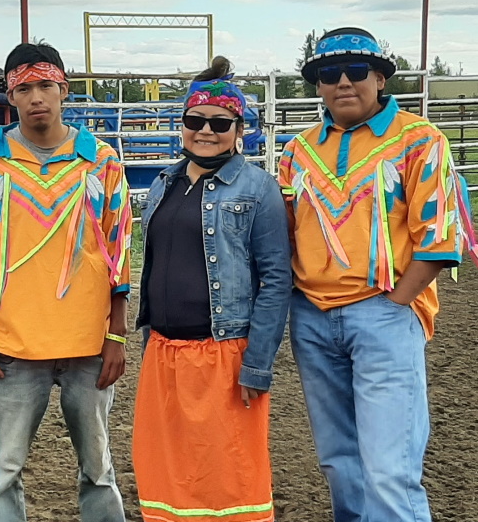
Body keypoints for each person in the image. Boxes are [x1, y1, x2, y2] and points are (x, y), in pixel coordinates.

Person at [280, 27, 476, 522]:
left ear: (381, 77)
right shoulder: (297, 152)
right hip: (312, 318)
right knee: (339, 460)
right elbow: (284, 233)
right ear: (317, 85)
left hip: (383, 312)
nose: (343, 82)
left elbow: (439, 239)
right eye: (329, 73)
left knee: (389, 467)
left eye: (356, 71)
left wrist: (395, 304)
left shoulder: (419, 140)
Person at [0, 42, 132, 522]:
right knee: (5, 469)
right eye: (24, 88)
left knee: (98, 467)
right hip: (10, 343)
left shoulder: (101, 162)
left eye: (46, 85)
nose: (36, 97)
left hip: (87, 342)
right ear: (10, 95)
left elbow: (120, 249)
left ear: (63, 89)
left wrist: (115, 334)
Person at [132, 57, 292, 522]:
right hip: (164, 354)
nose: (206, 130)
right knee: (167, 474)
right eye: (195, 120)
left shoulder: (259, 189)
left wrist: (257, 364)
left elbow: (276, 279)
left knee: (229, 479)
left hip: (225, 356)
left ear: (239, 129)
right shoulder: (165, 184)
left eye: (220, 122)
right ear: (182, 125)